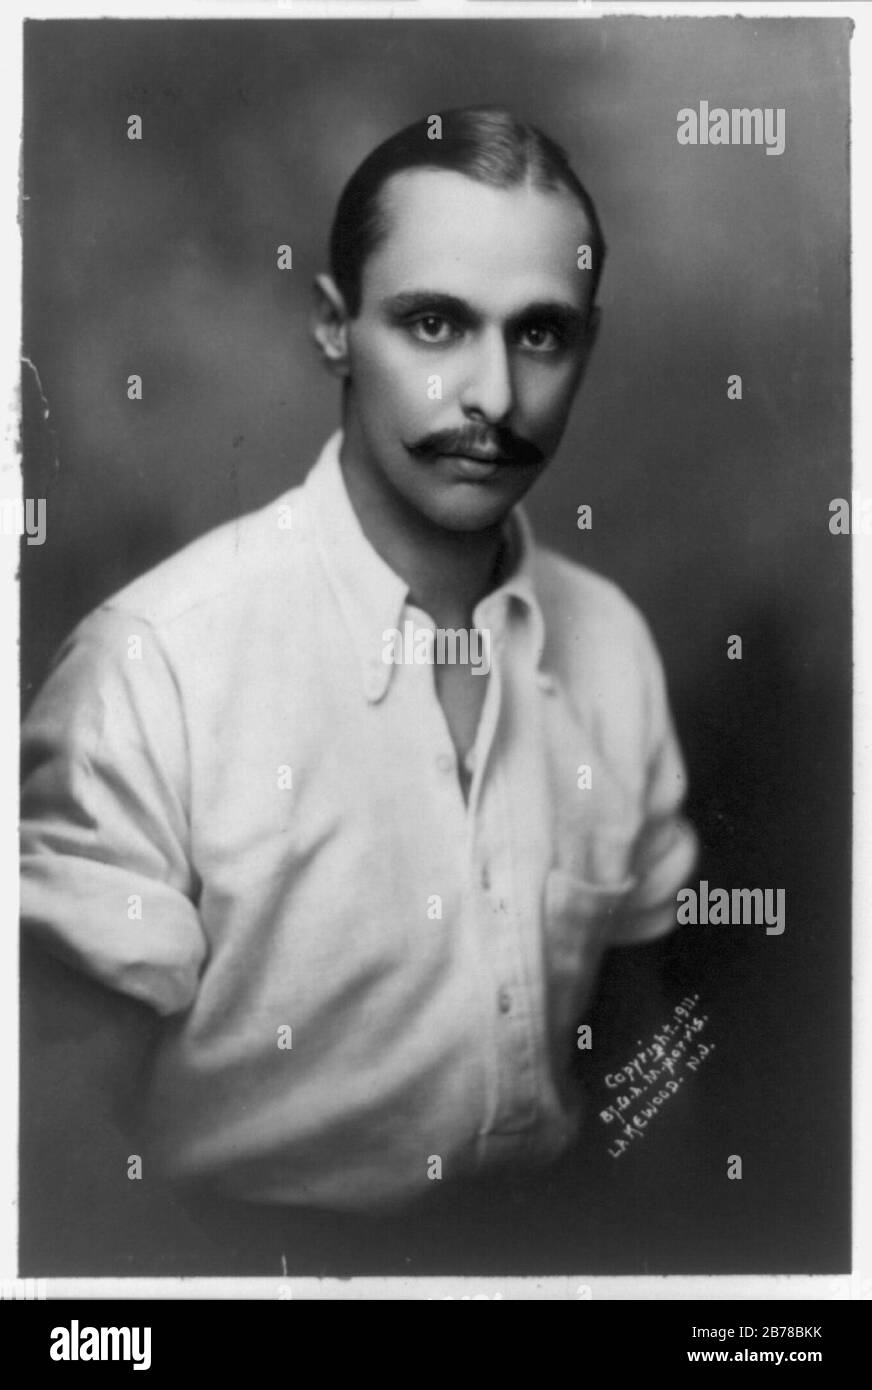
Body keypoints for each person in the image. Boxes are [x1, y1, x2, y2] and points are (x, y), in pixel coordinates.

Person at [20, 107, 698, 1275]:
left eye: (540, 335)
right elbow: (48, 1151)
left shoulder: (613, 644)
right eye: (434, 323)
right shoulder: (156, 665)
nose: (492, 392)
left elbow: (649, 1047)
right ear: (335, 328)